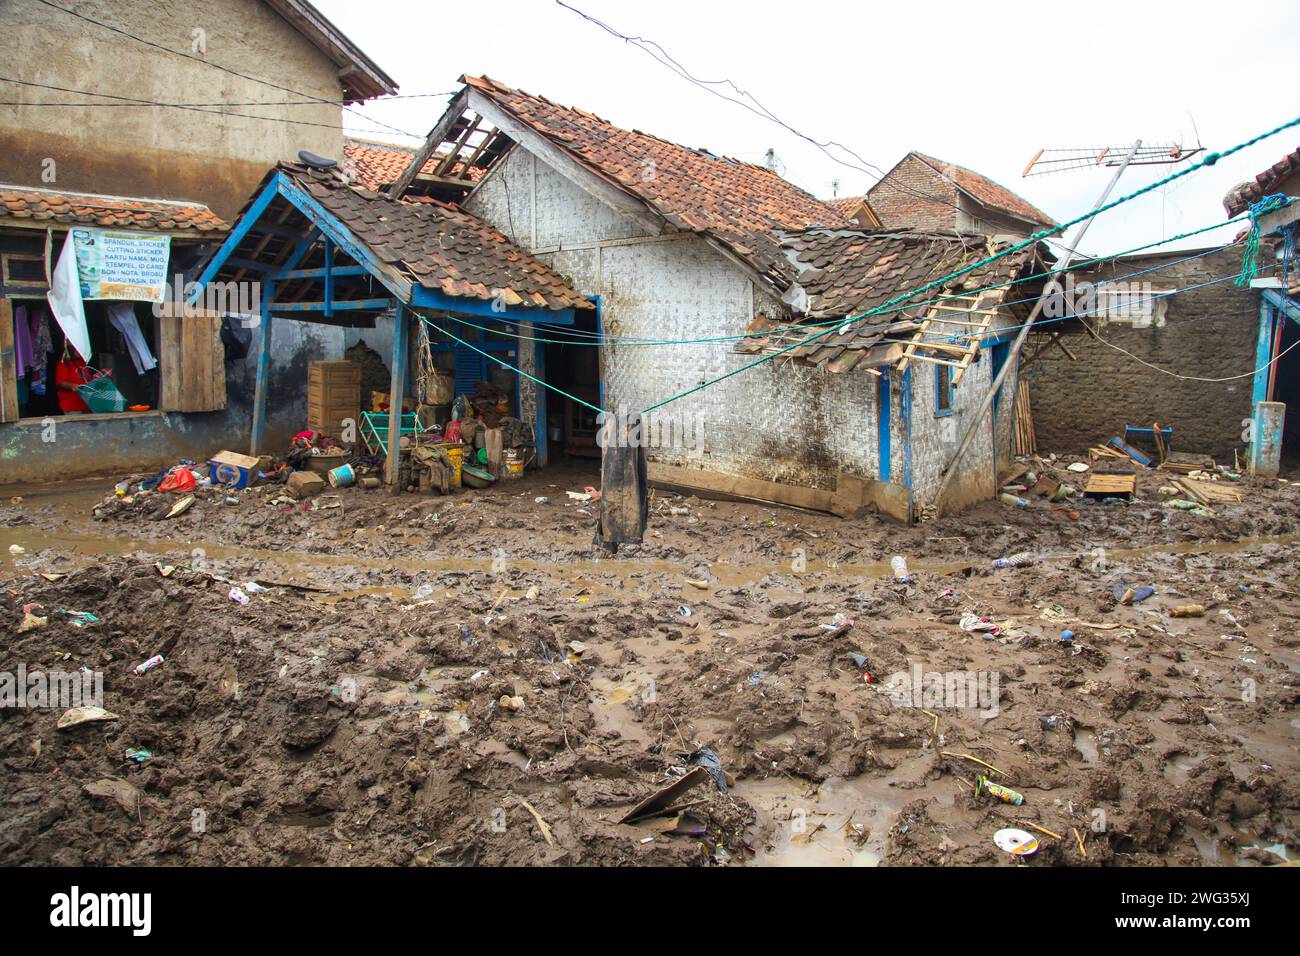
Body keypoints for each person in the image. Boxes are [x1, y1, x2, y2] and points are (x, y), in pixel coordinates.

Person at [54, 344, 90, 414]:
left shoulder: (83, 362)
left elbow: (88, 379)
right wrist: (72, 386)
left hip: (86, 403)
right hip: (72, 405)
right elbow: (60, 382)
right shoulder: (64, 363)